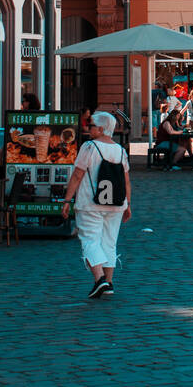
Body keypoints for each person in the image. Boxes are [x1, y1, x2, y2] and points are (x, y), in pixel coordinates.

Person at [60, 111, 131, 300]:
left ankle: (99, 280)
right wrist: (128, 204)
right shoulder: (120, 150)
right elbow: (126, 181)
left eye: (91, 126)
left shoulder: (89, 147)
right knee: (109, 242)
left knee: (90, 240)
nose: (88, 128)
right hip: (116, 203)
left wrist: (67, 200)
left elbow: (77, 175)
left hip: (90, 203)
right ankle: (109, 282)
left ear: (100, 129)